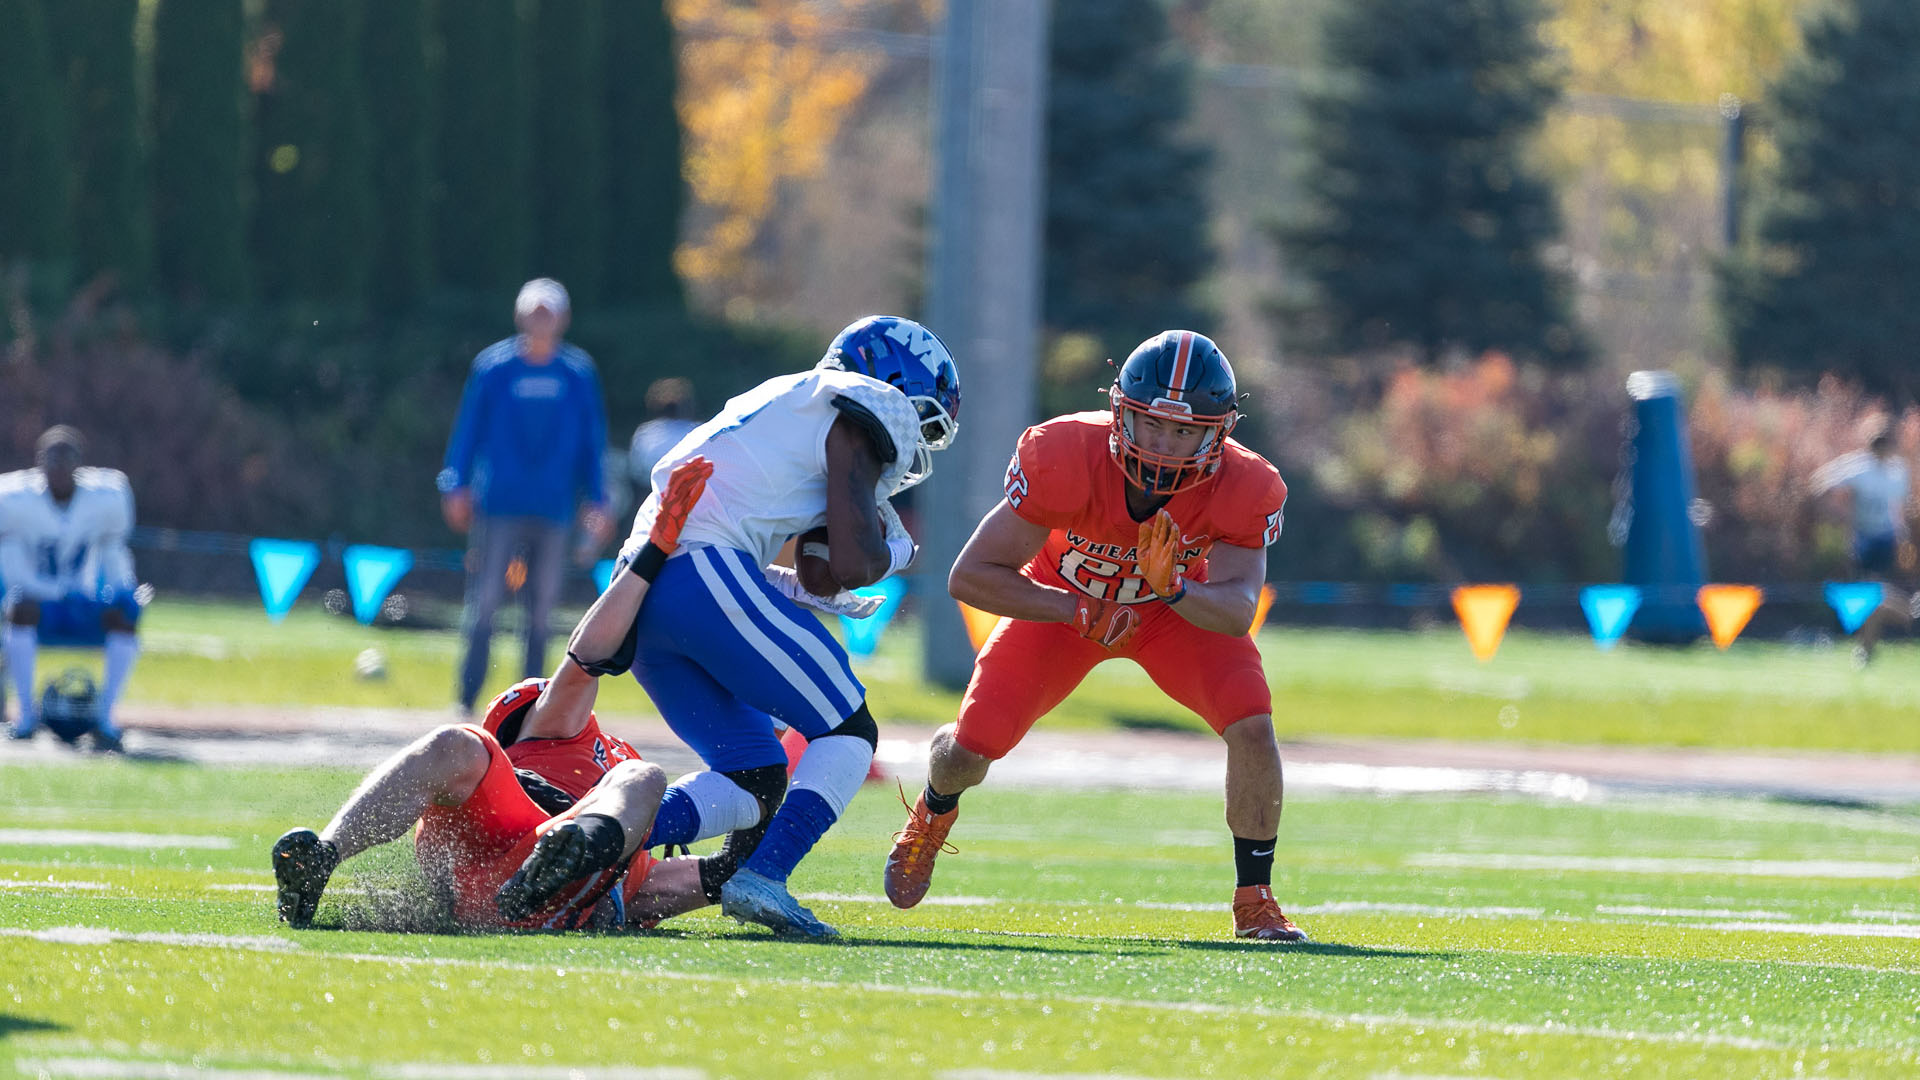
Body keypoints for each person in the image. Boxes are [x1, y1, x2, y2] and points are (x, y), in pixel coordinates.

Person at [885, 330, 1309, 942]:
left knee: (1253, 725)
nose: (1165, 446)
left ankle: (1256, 901)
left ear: (1220, 431)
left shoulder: (1246, 486)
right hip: (1064, 607)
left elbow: (1239, 609)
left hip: (1170, 616)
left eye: (1185, 431)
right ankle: (933, 810)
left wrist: (1176, 591)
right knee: (970, 750)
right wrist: (1071, 609)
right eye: (1151, 425)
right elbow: (969, 575)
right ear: (1119, 413)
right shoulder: (1065, 455)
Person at [272, 459, 759, 930]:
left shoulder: (614, 795)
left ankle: (565, 865)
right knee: (634, 774)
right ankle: (324, 855)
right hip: (500, 852)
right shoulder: (555, 735)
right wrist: (653, 550)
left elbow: (673, 885)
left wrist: (754, 837)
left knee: (639, 782)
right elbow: (586, 655)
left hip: (547, 886)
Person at [618, 314, 960, 937]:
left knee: (753, 774)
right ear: (893, 388)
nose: (912, 453)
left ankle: (579, 839)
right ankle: (766, 876)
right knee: (848, 727)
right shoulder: (865, 404)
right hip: (699, 570)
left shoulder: (795, 403)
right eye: (922, 423)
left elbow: (819, 565)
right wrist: (902, 553)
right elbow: (855, 564)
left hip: (642, 581)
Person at [439, 278, 615, 715]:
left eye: (549, 312)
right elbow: (468, 431)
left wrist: (598, 499)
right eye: (534, 312)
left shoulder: (577, 373)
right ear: (520, 316)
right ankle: (465, 701)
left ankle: (527, 706)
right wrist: (454, 484)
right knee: (485, 605)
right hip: (498, 504)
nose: (541, 320)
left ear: (563, 319)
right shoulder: (494, 368)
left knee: (541, 610)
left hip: (553, 507)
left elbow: (593, 442)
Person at [1, 426, 141, 752]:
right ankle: (25, 719)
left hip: (83, 601)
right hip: (40, 600)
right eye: (52, 461)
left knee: (124, 615)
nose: (59, 469)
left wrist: (125, 591)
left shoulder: (106, 497)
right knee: (18, 608)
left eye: (66, 461)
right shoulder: (13, 500)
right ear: (39, 463)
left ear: (79, 464)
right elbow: (14, 572)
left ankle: (105, 720)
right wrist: (54, 591)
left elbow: (113, 550)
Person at [1812, 428, 1913, 663]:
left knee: (1876, 595)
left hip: (1886, 539)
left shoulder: (1898, 471)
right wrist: (1839, 516)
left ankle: (1868, 648)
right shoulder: (1858, 467)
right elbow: (1820, 485)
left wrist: (1904, 538)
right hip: (1863, 540)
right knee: (1873, 595)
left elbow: (1900, 509)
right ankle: (1867, 647)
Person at [629, 377, 702, 505]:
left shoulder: (645, 432)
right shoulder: (698, 431)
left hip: (652, 498)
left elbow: (636, 470)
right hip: (689, 498)